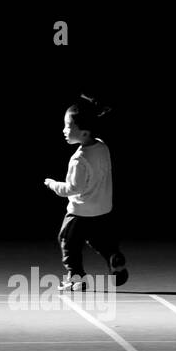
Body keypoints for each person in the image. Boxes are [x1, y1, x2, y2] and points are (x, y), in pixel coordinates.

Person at [43, 96, 129, 291]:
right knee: (97, 239)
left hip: (80, 212)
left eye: (68, 126)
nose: (64, 130)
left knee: (67, 240)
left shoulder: (79, 160)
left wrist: (53, 185)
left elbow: (73, 189)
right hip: (102, 208)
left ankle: (76, 277)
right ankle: (113, 256)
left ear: (84, 132)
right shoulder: (102, 147)